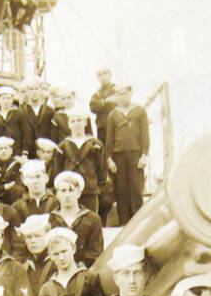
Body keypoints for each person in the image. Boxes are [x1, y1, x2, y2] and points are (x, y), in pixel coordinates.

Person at [103, 84, 148, 225]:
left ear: (130, 93)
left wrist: (144, 154)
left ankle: (137, 222)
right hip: (118, 156)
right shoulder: (113, 114)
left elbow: (145, 134)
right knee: (121, 189)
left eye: (125, 94)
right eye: (119, 94)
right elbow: (109, 137)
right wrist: (109, 158)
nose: (123, 97)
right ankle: (124, 222)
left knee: (136, 187)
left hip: (135, 154)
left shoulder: (139, 111)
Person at [48, 170, 102, 266]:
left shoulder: (92, 219)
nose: (67, 195)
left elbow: (94, 252)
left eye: (71, 190)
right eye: (63, 191)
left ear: (78, 193)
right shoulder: (50, 219)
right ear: (57, 194)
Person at [59, 111, 106, 216]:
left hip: (89, 189)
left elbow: (101, 167)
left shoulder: (95, 144)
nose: (76, 124)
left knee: (90, 217)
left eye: (79, 120)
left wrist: (98, 185)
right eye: (73, 121)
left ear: (85, 123)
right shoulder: (63, 145)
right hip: (69, 190)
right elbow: (58, 169)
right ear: (69, 124)